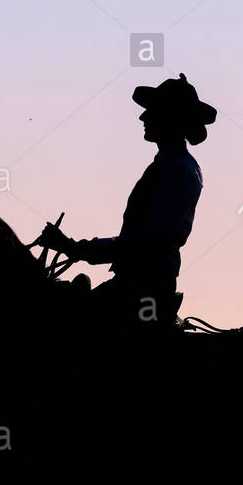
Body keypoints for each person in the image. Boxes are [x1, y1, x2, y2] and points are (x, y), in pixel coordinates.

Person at [37, 73, 216, 333]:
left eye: (152, 111)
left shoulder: (178, 169)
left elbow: (151, 241)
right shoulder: (170, 166)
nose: (142, 117)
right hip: (138, 285)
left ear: (170, 117)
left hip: (144, 291)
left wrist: (76, 248)